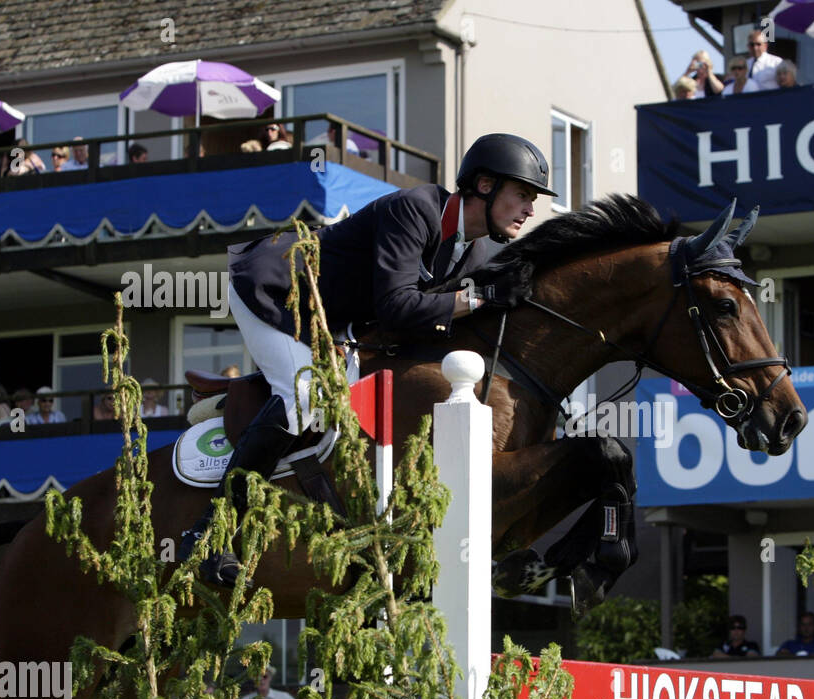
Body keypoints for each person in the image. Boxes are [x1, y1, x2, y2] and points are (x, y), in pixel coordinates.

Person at [181, 133, 552, 587]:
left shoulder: (477, 249)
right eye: (522, 196)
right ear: (485, 185)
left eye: (532, 200)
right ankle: (209, 533)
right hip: (275, 290)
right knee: (303, 395)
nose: (530, 211)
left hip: (333, 317)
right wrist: (478, 298)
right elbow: (398, 306)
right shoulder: (416, 208)